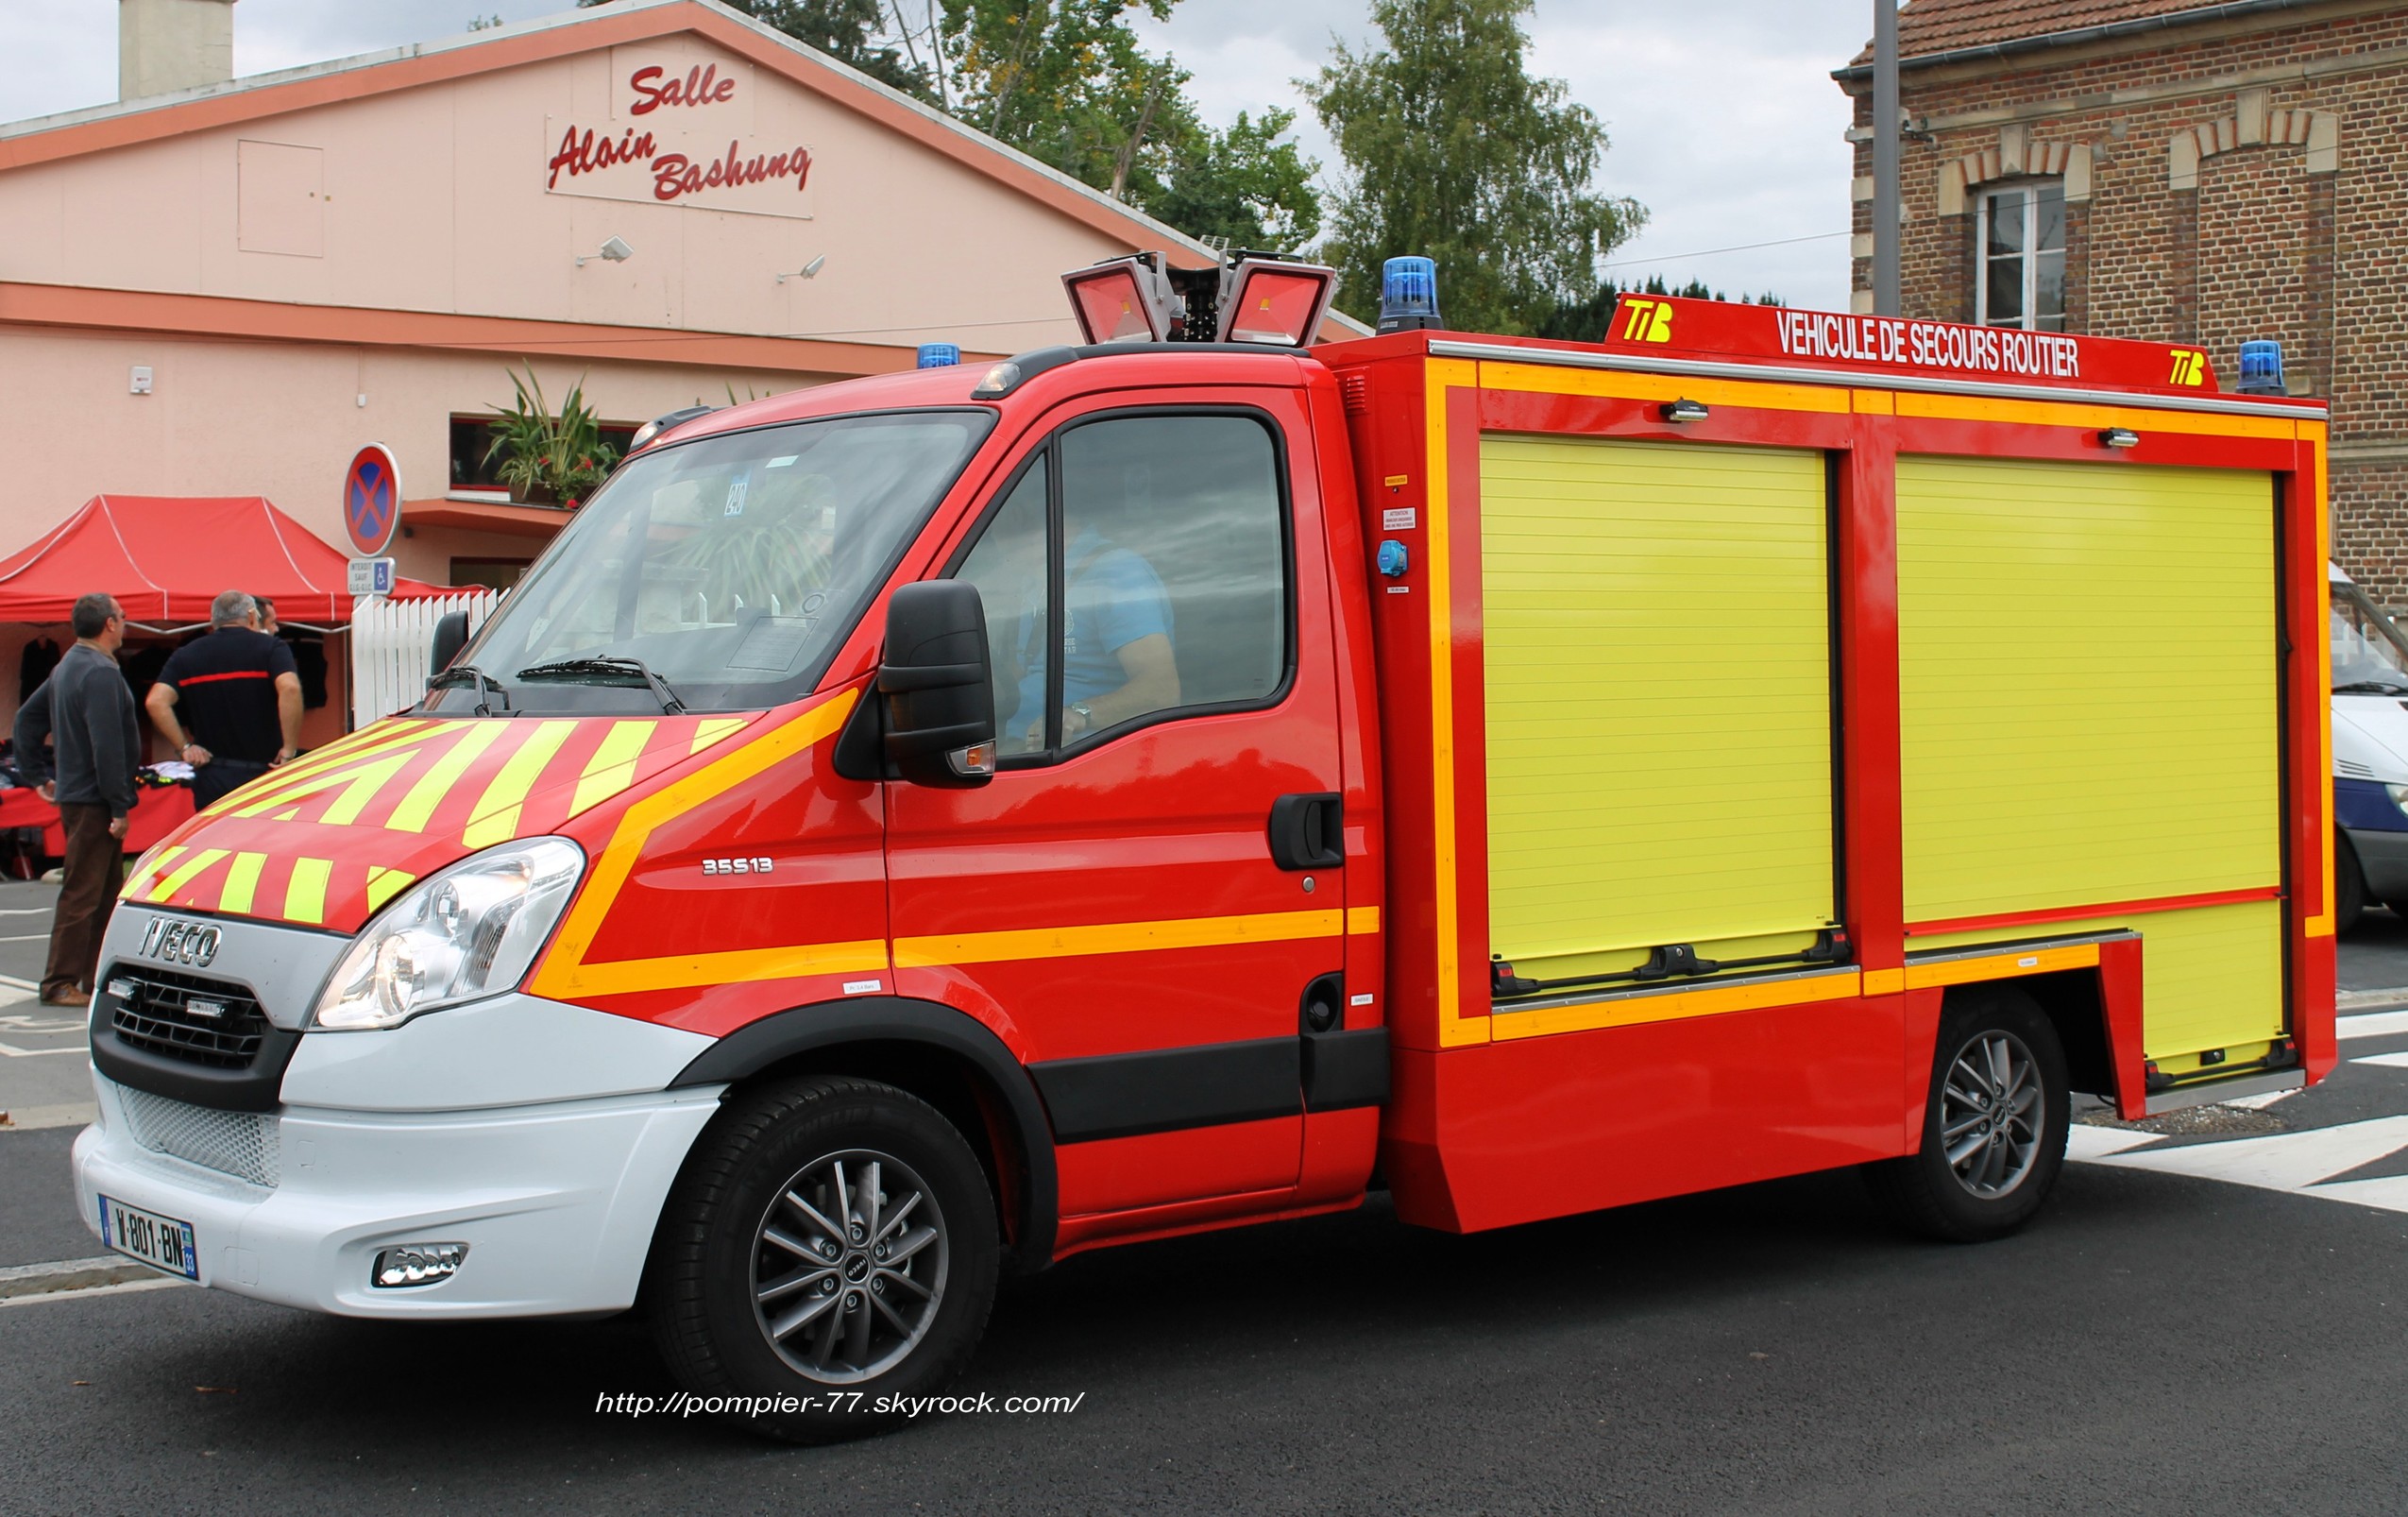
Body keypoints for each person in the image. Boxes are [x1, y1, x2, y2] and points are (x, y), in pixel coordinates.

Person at [14, 593, 139, 1007]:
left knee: (103, 893)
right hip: (93, 798)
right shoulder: (99, 671)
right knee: (84, 894)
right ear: (108, 624)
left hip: (77, 792)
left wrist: (36, 774)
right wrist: (118, 805)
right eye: (122, 616)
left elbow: (25, 720)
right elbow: (108, 744)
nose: (125, 622)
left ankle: (93, 978)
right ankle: (60, 981)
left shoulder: (68, 664)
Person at [144, 590, 300, 809]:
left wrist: (185, 747)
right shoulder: (272, 648)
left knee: (219, 830)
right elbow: (290, 688)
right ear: (251, 615)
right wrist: (289, 751)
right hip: (265, 771)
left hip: (212, 774)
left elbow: (156, 701)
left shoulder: (186, 654)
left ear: (213, 620)